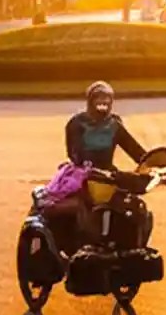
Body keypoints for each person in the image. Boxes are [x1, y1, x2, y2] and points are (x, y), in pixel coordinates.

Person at [49, 81, 148, 241]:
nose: (103, 103)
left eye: (106, 99)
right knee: (82, 209)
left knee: (133, 207)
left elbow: (136, 151)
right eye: (98, 98)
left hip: (109, 175)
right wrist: (86, 168)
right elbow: (74, 154)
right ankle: (83, 242)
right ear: (90, 101)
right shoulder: (77, 123)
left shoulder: (114, 125)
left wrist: (154, 166)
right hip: (83, 175)